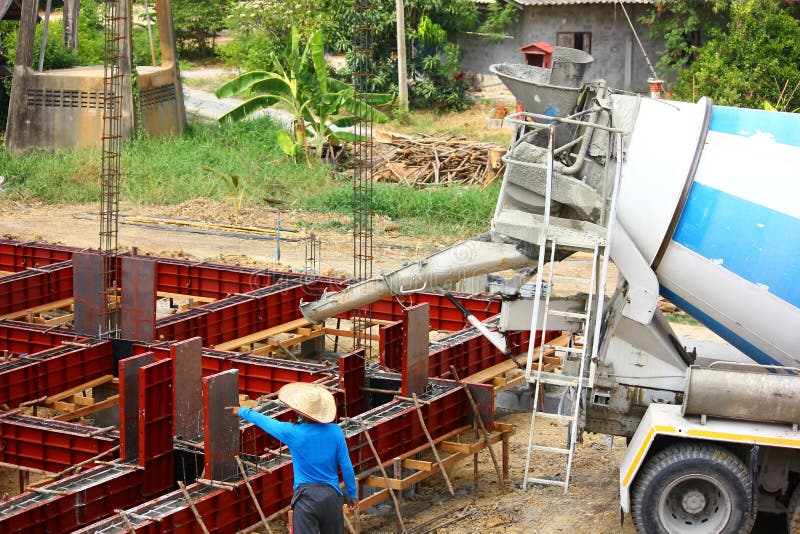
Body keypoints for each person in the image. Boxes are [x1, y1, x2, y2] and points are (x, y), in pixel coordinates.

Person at [227, 382, 357, 534]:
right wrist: (352, 494)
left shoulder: (293, 432)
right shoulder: (336, 432)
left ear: (301, 412)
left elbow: (267, 423)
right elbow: (347, 467)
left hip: (306, 498)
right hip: (332, 497)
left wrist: (242, 411)